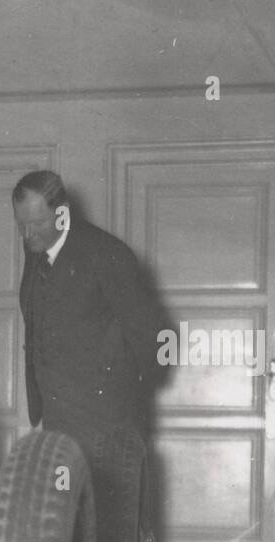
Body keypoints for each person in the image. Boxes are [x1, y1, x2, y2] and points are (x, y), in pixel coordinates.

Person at [13, 169, 163, 444]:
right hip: (58, 422)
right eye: (21, 225)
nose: (28, 234)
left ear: (62, 213)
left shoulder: (107, 254)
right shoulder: (37, 252)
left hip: (107, 426)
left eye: (37, 223)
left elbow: (152, 339)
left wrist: (118, 399)